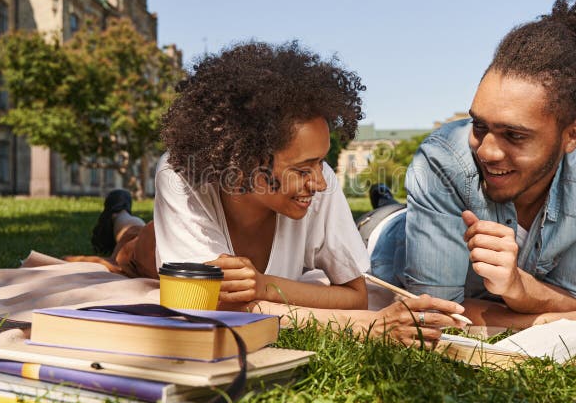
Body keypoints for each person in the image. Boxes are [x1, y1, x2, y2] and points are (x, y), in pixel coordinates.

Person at [67, 41, 466, 346]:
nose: (322, 183)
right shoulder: (180, 175)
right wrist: (365, 328)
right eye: (301, 169)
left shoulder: (318, 183)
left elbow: (355, 295)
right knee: (130, 252)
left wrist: (264, 286)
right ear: (243, 166)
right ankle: (118, 217)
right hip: (156, 252)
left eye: (321, 163)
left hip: (218, 257)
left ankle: (120, 218)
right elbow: (202, 306)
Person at [368, 0, 576, 328]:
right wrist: (564, 320)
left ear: (573, 136)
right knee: (385, 218)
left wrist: (516, 287)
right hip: (386, 236)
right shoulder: (440, 160)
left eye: (514, 135)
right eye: (479, 126)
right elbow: (437, 315)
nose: (487, 151)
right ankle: (383, 206)